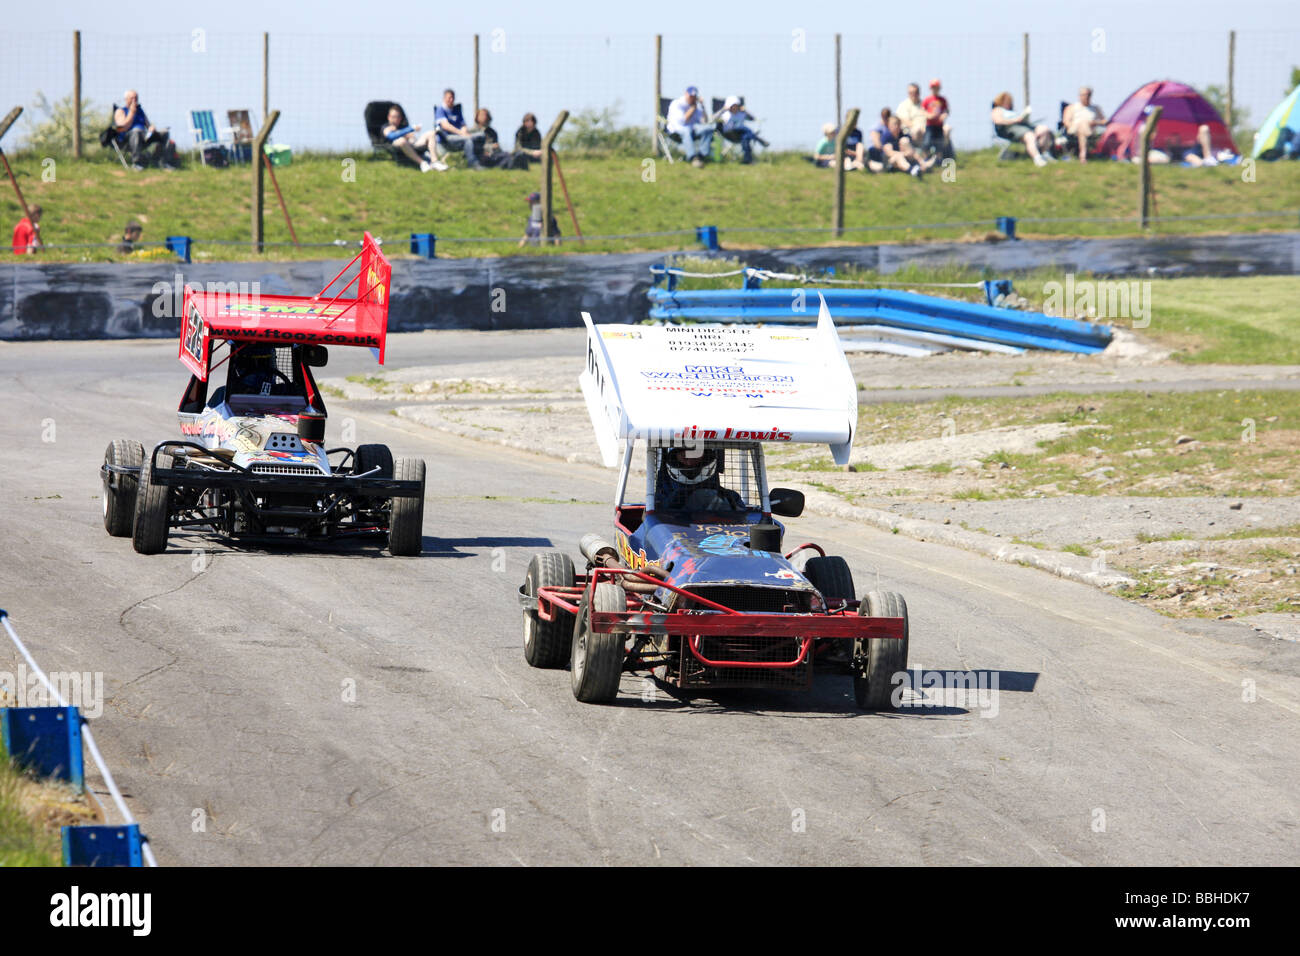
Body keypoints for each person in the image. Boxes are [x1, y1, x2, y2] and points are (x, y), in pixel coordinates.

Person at [656, 446, 744, 514]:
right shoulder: (661, 498)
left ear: (706, 455)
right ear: (674, 457)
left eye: (694, 456)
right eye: (685, 457)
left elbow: (742, 520)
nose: (689, 462)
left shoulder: (731, 498)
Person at [113, 90, 176, 170]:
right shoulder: (120, 111)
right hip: (128, 139)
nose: (134, 100)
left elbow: (148, 125)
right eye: (132, 98)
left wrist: (151, 128)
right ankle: (137, 163)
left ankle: (162, 162)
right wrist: (132, 113)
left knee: (164, 132)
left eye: (136, 98)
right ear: (126, 99)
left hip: (144, 137)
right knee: (136, 131)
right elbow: (122, 128)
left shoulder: (140, 111)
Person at [991, 92, 1054, 167]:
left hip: (1024, 126)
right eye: (1006, 101)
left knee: (1044, 129)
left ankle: (1044, 153)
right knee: (1029, 136)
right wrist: (1015, 120)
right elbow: (998, 121)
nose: (1008, 103)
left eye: (1009, 101)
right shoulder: (997, 110)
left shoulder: (1012, 111)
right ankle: (1037, 158)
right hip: (1010, 129)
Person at [381, 105, 445, 172]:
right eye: (393, 117)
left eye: (398, 117)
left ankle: (435, 162)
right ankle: (422, 163)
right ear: (389, 117)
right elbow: (391, 136)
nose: (396, 119)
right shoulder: (386, 127)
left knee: (431, 133)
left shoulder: (403, 126)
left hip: (411, 144)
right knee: (401, 140)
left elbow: (412, 137)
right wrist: (410, 129)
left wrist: (411, 136)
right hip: (397, 145)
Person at [667, 85, 713, 168]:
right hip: (676, 130)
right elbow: (683, 121)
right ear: (686, 94)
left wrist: (702, 106)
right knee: (686, 131)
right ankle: (693, 158)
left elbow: (705, 121)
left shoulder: (696, 106)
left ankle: (701, 156)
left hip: (692, 130)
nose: (692, 98)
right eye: (690, 96)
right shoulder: (677, 104)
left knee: (708, 129)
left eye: (694, 96)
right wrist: (693, 108)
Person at [1142, 124, 1225, 167]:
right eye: (1171, 138)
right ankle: (1204, 163)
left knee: (1204, 128)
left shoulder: (1189, 143)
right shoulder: (1171, 151)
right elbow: (1164, 159)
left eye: (1176, 137)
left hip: (1199, 148)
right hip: (1188, 154)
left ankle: (1209, 158)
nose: (1174, 139)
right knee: (1190, 156)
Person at [435, 89, 480, 168]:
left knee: (480, 136)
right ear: (444, 98)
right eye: (449, 98)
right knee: (468, 140)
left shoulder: (457, 109)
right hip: (447, 138)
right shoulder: (440, 110)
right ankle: (472, 163)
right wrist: (461, 134)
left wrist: (464, 131)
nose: (451, 100)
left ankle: (480, 160)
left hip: (460, 137)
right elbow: (445, 125)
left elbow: (463, 124)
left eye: (453, 98)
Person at [716, 96, 767, 164]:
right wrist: (723, 110)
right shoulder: (725, 114)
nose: (735, 107)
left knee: (745, 137)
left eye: (737, 106)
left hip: (740, 134)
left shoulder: (741, 114)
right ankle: (757, 138)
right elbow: (714, 118)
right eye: (733, 105)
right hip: (729, 133)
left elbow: (752, 118)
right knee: (740, 126)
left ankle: (747, 159)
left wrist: (745, 110)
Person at [1062, 86, 1106, 163]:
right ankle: (1083, 155)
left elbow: (1104, 121)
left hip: (1090, 131)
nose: (1085, 97)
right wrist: (1077, 126)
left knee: (1084, 125)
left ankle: (1083, 155)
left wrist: (1095, 122)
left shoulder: (1096, 108)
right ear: (1079, 96)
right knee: (1082, 125)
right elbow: (1066, 122)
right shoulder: (1071, 107)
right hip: (1074, 131)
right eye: (1083, 95)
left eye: (1088, 95)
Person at [921, 79, 953, 159]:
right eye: (933, 87)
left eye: (936, 87)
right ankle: (926, 159)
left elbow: (947, 111)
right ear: (930, 88)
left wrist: (944, 116)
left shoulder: (943, 100)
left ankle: (939, 160)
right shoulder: (927, 100)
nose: (935, 89)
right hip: (930, 125)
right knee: (927, 143)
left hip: (939, 125)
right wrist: (929, 116)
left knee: (939, 143)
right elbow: (922, 111)